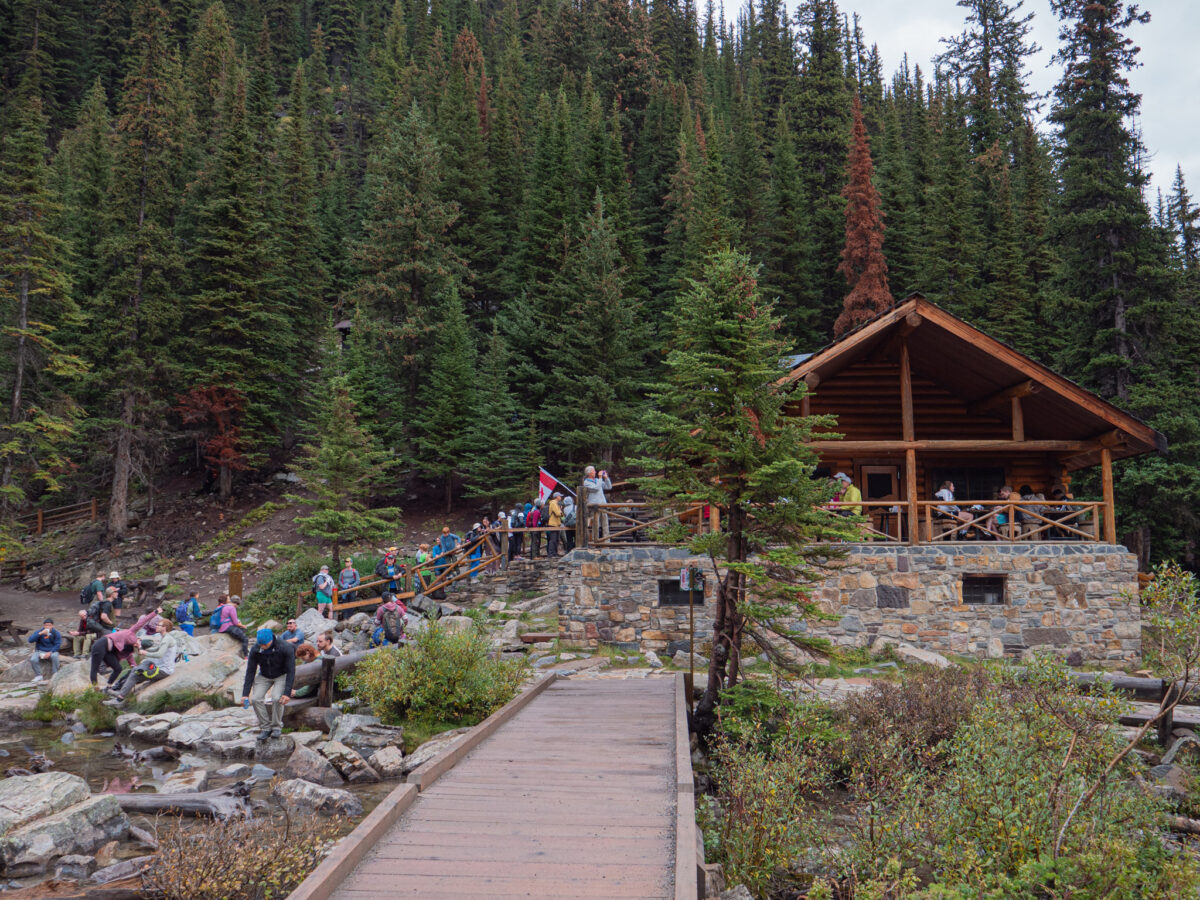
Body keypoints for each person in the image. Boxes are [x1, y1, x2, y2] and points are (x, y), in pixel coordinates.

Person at [240, 628, 296, 741]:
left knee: (276, 698)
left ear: (271, 640)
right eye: (260, 645)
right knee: (255, 699)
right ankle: (266, 728)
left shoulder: (285, 647)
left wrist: (286, 693)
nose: (263, 647)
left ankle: (276, 727)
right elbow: (250, 671)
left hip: (282, 674)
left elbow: (291, 671)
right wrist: (245, 694)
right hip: (264, 675)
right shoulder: (256, 649)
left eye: (265, 645)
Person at [109, 620, 181, 703]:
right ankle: (120, 690)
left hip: (163, 670)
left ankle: (119, 699)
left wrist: (145, 653)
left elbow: (159, 654)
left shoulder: (166, 639)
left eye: (159, 625)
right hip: (159, 666)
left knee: (135, 675)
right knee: (135, 669)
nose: (156, 626)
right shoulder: (165, 637)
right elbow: (157, 649)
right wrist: (143, 648)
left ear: (164, 627)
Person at [88, 609, 159, 687]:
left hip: (108, 651)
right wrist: (155, 613)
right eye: (138, 643)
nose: (136, 645)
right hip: (101, 644)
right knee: (95, 667)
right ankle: (95, 688)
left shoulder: (129, 650)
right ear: (139, 639)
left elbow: (133, 663)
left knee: (118, 668)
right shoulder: (131, 633)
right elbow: (142, 622)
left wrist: (136, 669)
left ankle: (108, 686)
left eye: (137, 647)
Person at [583, 466, 612, 540]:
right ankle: (595, 541)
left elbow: (608, 487)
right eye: (593, 471)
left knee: (605, 524)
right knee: (596, 525)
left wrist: (606, 478)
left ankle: (606, 541)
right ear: (589, 473)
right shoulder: (586, 482)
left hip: (603, 505)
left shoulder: (597, 480)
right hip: (595, 506)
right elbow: (595, 488)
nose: (595, 472)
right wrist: (600, 478)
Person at [547, 493, 564, 557]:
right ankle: (551, 553)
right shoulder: (553, 503)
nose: (561, 497)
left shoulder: (556, 504)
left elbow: (560, 513)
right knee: (553, 539)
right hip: (553, 523)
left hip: (556, 523)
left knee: (556, 539)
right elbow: (558, 513)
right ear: (557, 497)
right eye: (560, 496)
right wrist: (560, 510)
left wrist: (560, 511)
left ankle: (555, 553)